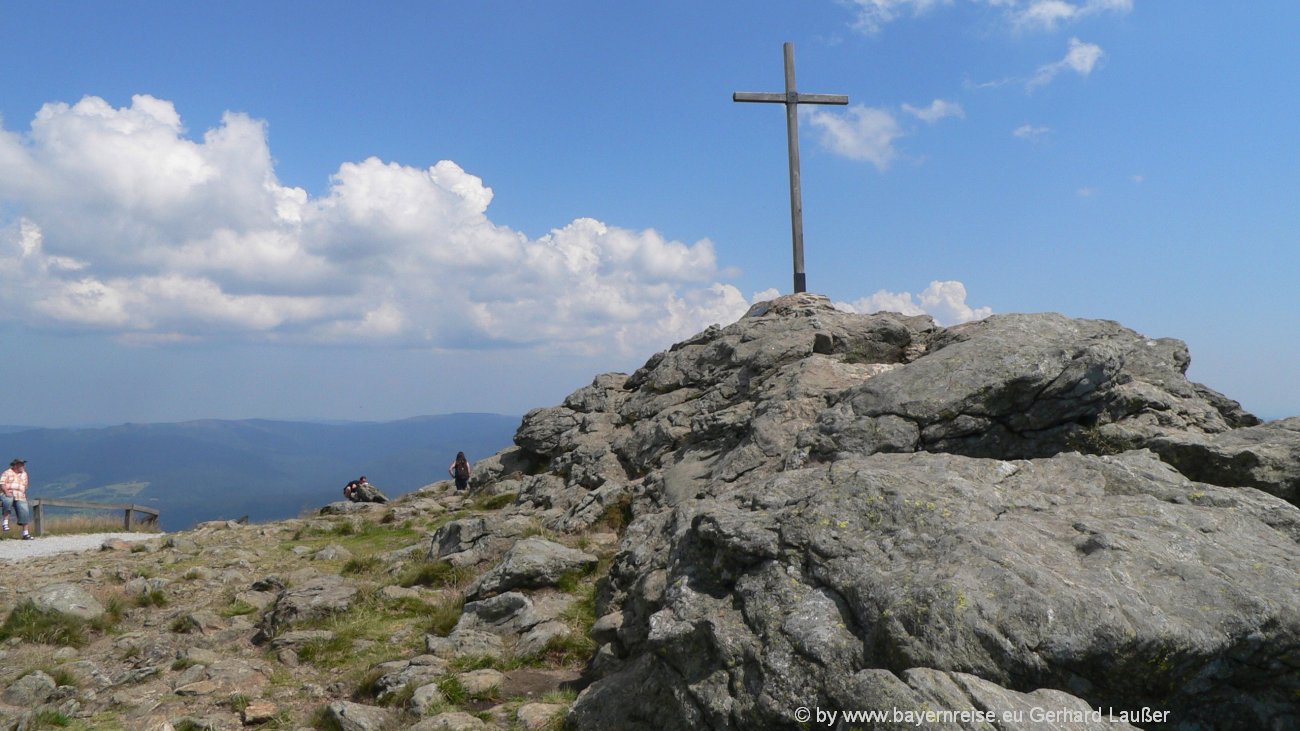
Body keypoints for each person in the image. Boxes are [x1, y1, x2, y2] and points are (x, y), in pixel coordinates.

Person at [1, 459, 33, 540]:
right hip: (8, 492)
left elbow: (25, 485)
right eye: (21, 464)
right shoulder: (7, 472)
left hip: (20, 494)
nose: (23, 466)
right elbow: (2, 483)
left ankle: (25, 533)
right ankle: (5, 522)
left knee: (24, 510)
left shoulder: (24, 474)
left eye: (23, 464)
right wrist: (6, 491)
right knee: (8, 501)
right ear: (15, 465)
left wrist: (22, 491)